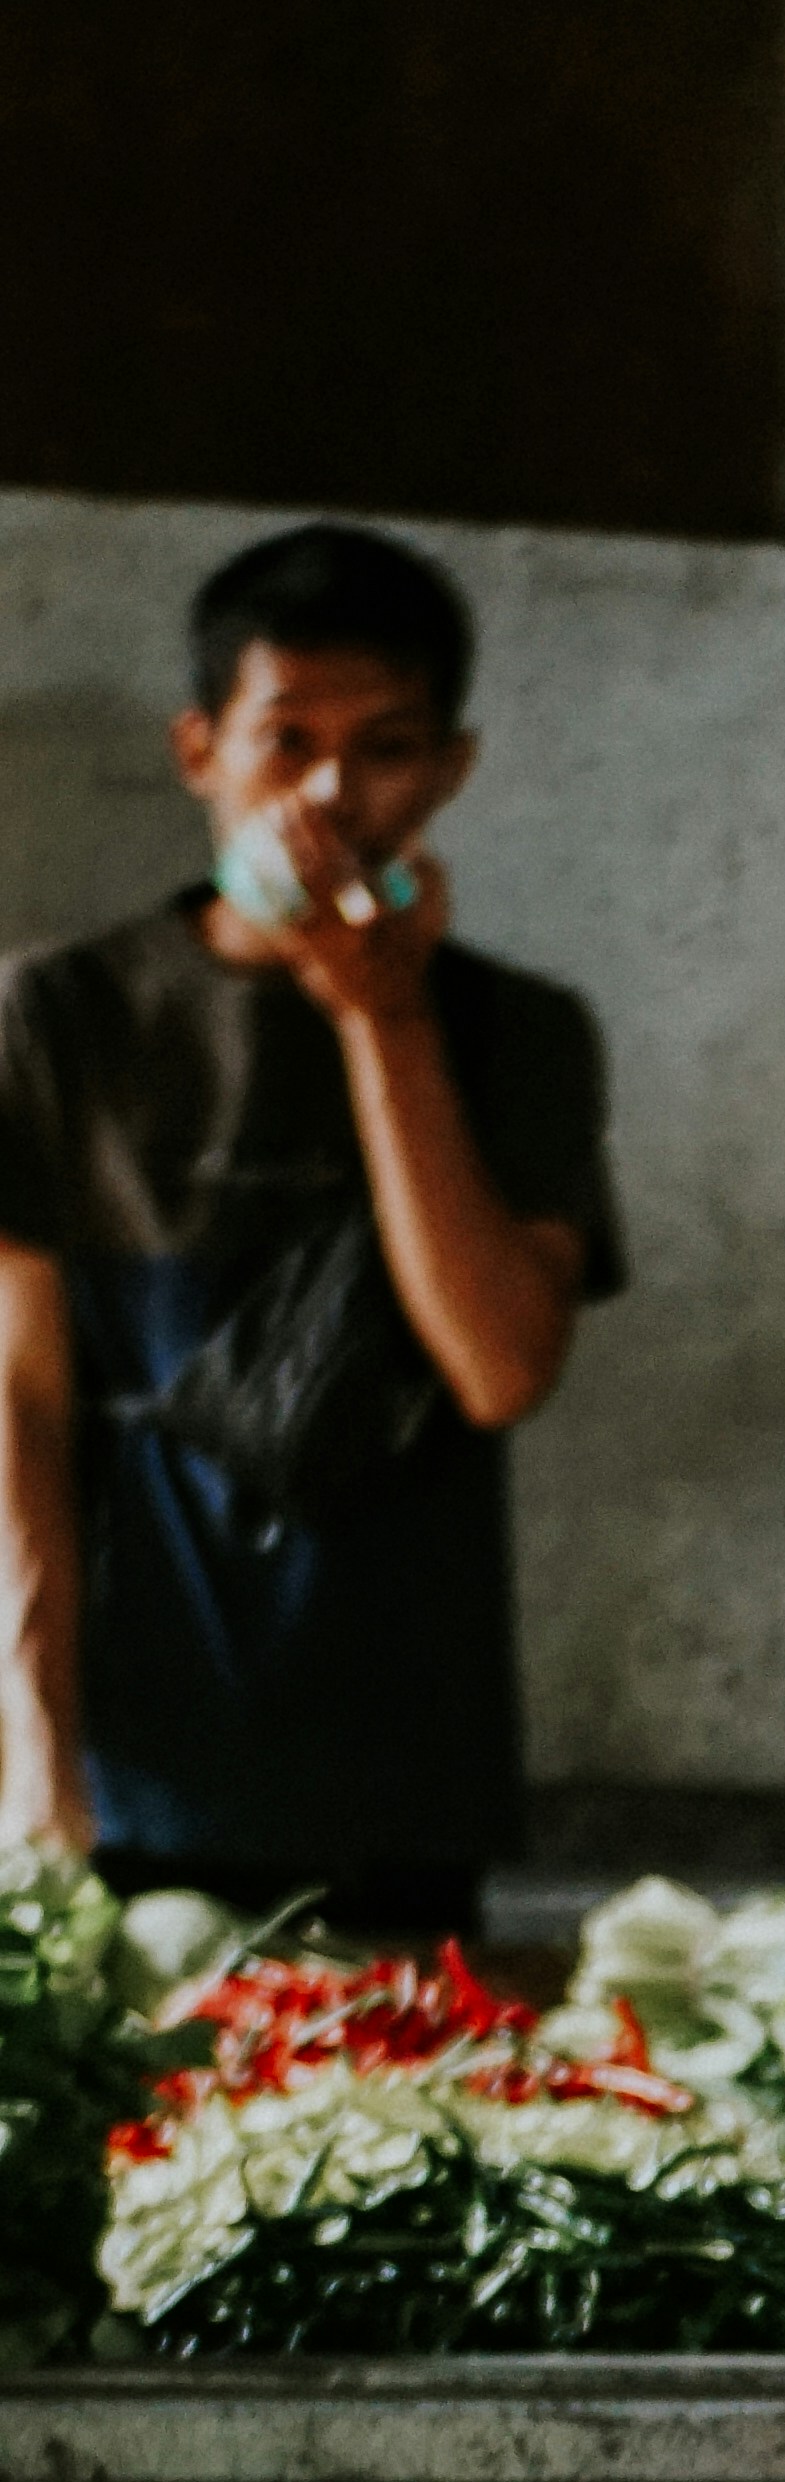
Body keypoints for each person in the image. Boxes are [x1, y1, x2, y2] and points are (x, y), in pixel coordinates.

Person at [0, 518, 624, 1942]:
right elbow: (15, 1402)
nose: (334, 794)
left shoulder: (516, 1036)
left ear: (450, 770)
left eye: (387, 749)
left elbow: (499, 1368)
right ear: (199, 751)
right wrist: (36, 1748)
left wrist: (383, 1019)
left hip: (396, 1779)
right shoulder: (60, 1021)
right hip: (125, 1775)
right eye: (287, 743)